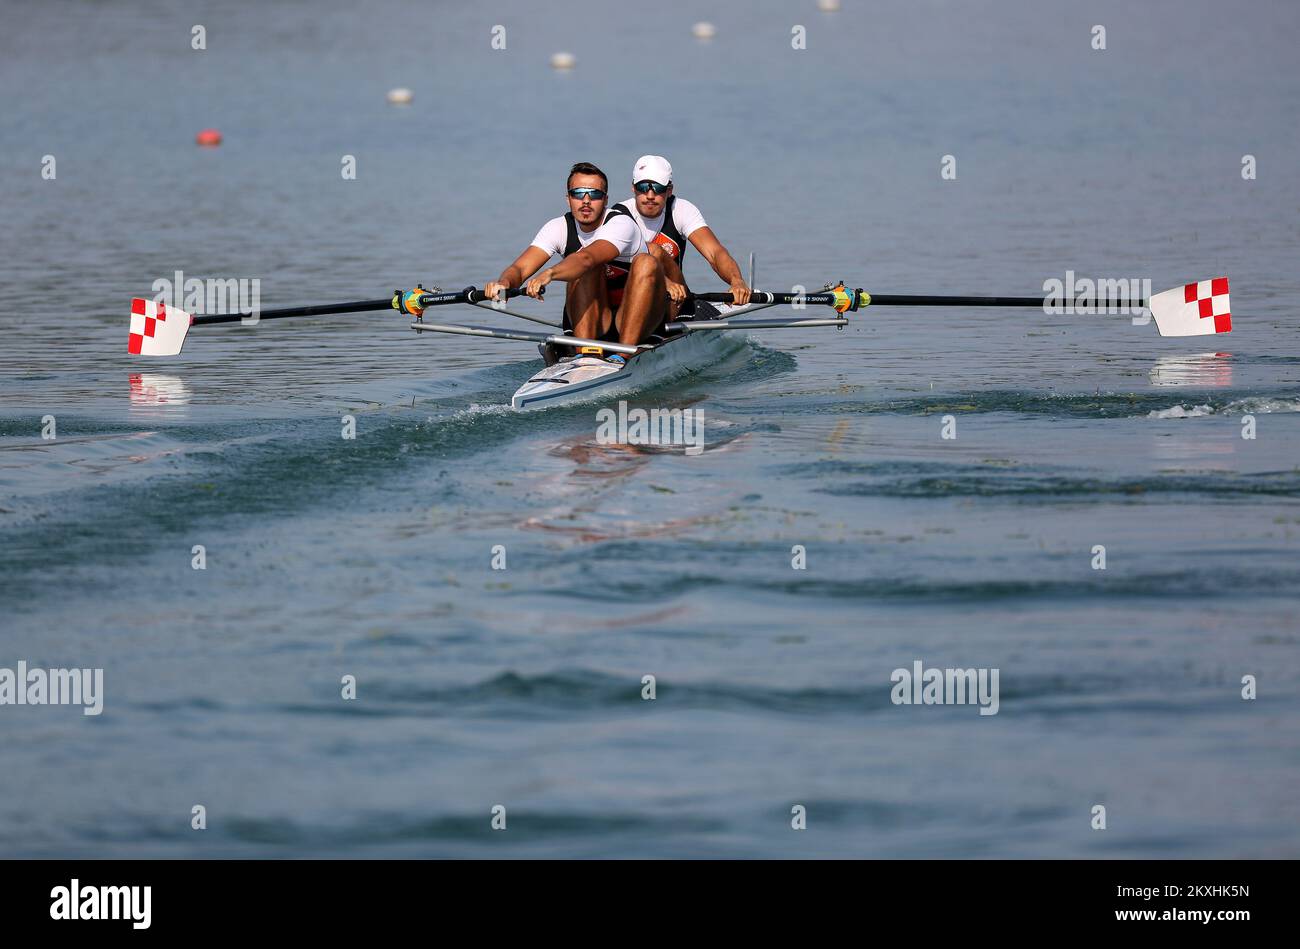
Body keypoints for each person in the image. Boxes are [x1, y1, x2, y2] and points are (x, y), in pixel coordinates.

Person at [483, 162, 667, 359]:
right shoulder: (557, 228)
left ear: (605, 200)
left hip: (639, 320)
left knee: (643, 262)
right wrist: (504, 284)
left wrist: (549, 274)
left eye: (594, 194)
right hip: (598, 321)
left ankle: (624, 354)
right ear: (568, 198)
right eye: (578, 193)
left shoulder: (621, 223)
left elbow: (587, 258)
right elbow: (519, 268)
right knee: (580, 266)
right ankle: (586, 356)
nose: (586, 201)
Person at [612, 155, 751, 317]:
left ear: (669, 190)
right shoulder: (618, 215)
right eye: (643, 187)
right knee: (650, 252)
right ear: (633, 188)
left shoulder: (681, 210)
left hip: (671, 302)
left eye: (658, 188)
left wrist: (736, 280)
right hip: (625, 302)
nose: (650, 195)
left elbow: (715, 253)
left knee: (655, 252)